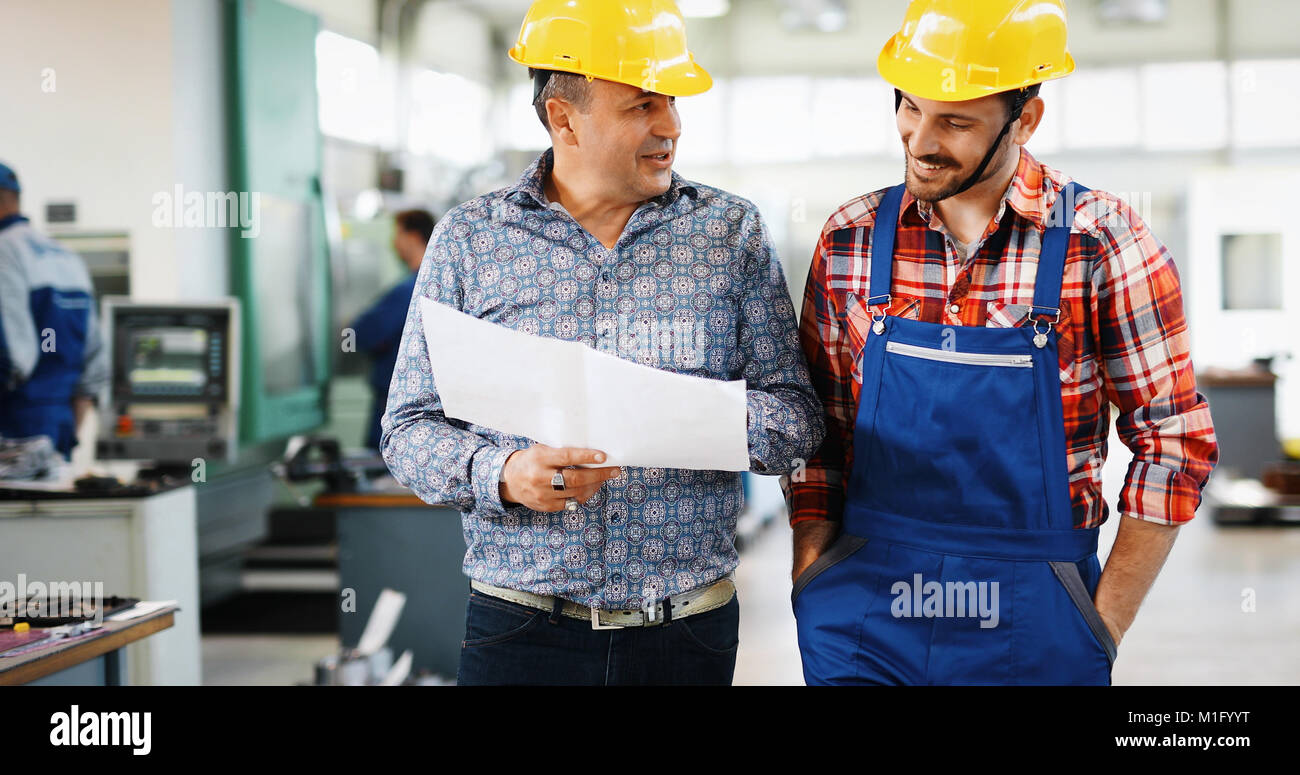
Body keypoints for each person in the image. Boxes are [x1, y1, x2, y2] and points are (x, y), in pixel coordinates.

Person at [381, 0, 823, 686]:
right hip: (522, 628)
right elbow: (407, 427)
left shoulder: (730, 234)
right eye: (643, 104)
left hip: (685, 634)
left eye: (672, 101)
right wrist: (502, 473)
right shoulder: (471, 240)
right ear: (564, 118)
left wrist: (694, 420)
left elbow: (797, 418)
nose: (670, 125)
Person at [785, 0, 1218, 685]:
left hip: (1035, 621)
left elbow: (1175, 442)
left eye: (955, 121)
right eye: (909, 106)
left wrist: (1099, 626)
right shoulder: (850, 240)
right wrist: (813, 576)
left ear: (1026, 118)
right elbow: (820, 437)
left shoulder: (1101, 244)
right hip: (865, 615)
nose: (920, 139)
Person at [0, 161, 108, 459]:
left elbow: (12, 357)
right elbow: (95, 363)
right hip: (60, 424)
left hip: (12, 427)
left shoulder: (5, 252)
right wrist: (67, 432)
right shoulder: (66, 256)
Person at [351, 209, 436, 451]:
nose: (393, 243)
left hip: (395, 403)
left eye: (397, 234)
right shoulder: (436, 284)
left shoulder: (410, 289)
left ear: (413, 236)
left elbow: (362, 333)